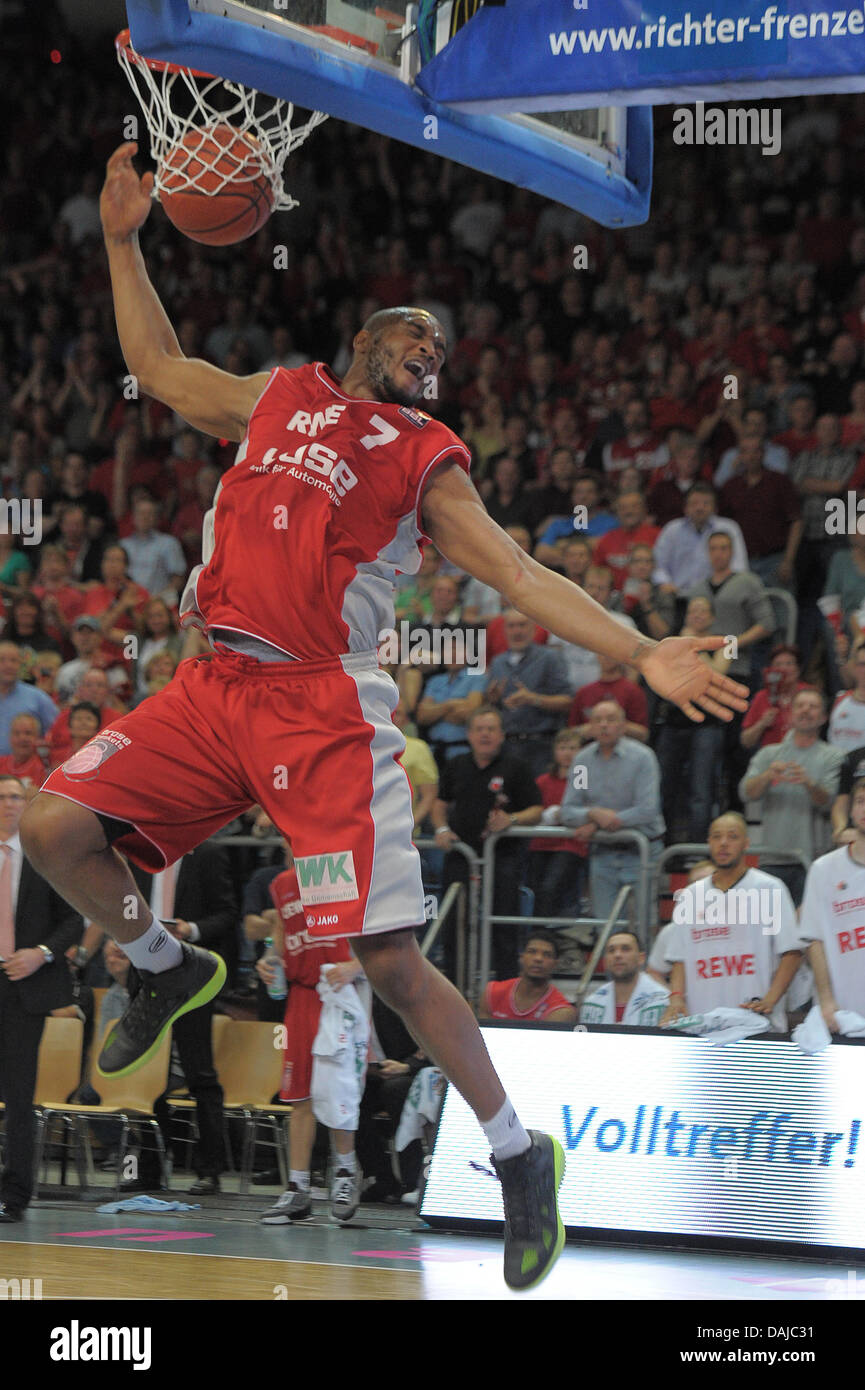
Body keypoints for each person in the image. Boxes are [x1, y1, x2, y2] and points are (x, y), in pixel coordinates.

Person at [22, 144, 747, 1292]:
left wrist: (641, 648)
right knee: (54, 826)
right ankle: (163, 966)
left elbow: (518, 577)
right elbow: (156, 365)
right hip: (213, 686)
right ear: (363, 341)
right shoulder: (277, 395)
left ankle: (518, 1157)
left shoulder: (422, 459)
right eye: (415, 337)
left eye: (444, 352)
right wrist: (122, 237)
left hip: (320, 707)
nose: (431, 354)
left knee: (389, 957)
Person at [257, 863, 366, 1224]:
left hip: (338, 992)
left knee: (339, 1091)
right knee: (299, 1096)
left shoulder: (344, 872)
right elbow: (278, 936)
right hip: (301, 997)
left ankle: (347, 1173)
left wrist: (356, 966)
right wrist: (269, 960)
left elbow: (380, 934)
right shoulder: (283, 884)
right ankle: (298, 1188)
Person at [0, 774, 83, 1221]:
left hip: (24, 985)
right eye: (3, 797)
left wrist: (42, 953)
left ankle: (14, 1194)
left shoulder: (42, 856)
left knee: (18, 1095)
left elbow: (74, 918)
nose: (10, 804)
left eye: (18, 797)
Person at [660, 812, 802, 1032]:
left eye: (732, 836)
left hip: (756, 1023)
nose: (723, 843)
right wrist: (677, 998)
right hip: (703, 1023)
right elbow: (680, 959)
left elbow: (791, 953)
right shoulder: (690, 896)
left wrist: (770, 1001)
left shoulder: (769, 888)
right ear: (708, 843)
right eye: (716, 837)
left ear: (746, 843)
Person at [433, 706, 542, 981]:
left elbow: (537, 809)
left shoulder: (516, 766)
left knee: (503, 923)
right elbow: (439, 803)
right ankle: (456, 987)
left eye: (491, 729)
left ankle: (504, 989)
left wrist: (512, 818)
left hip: (502, 857)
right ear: (469, 735)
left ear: (501, 735)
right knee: (454, 923)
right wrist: (442, 828)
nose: (485, 735)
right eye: (479, 729)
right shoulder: (457, 764)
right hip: (461, 854)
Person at [559, 699, 665, 921]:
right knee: (605, 926)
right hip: (602, 853)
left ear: (623, 725)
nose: (604, 725)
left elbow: (647, 809)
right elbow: (569, 809)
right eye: (598, 720)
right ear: (590, 727)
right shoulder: (582, 762)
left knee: (644, 925)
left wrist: (598, 821)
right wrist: (590, 814)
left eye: (611, 719)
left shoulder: (643, 758)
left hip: (642, 850)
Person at [740, 687, 843, 903]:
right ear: (790, 714)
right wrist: (768, 775)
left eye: (813, 706)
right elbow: (746, 793)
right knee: (768, 930)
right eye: (800, 706)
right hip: (771, 857)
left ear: (824, 717)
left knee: (807, 934)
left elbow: (829, 803)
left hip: (814, 860)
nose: (806, 711)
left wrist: (808, 783)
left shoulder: (833, 757)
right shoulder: (769, 754)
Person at [800, 777, 865, 1026]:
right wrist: (826, 1000)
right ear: (851, 810)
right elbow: (814, 940)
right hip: (842, 1010)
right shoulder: (823, 869)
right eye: (860, 801)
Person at [484, 609, 572, 776]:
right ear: (504, 631)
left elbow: (567, 701)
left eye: (522, 625)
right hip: (507, 747)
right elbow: (494, 707)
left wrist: (533, 699)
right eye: (511, 626)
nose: (517, 631)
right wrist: (493, 700)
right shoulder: (497, 663)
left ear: (534, 628)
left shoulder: (550, 658)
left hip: (542, 746)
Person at [478, 931, 576, 1023]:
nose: (538, 958)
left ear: (555, 964)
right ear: (521, 957)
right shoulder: (492, 993)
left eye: (547, 955)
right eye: (532, 952)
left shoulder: (561, 1010)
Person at [579, 929, 669, 1026]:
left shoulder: (663, 1002)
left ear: (641, 958)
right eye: (611, 950)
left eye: (625, 949)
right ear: (605, 961)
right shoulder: (592, 1004)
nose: (617, 955)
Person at [0, 714, 47, 800]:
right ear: (10, 737)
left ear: (37, 737)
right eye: (17, 733)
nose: (22, 738)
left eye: (28, 733)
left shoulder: (44, 768)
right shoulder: (1, 762)